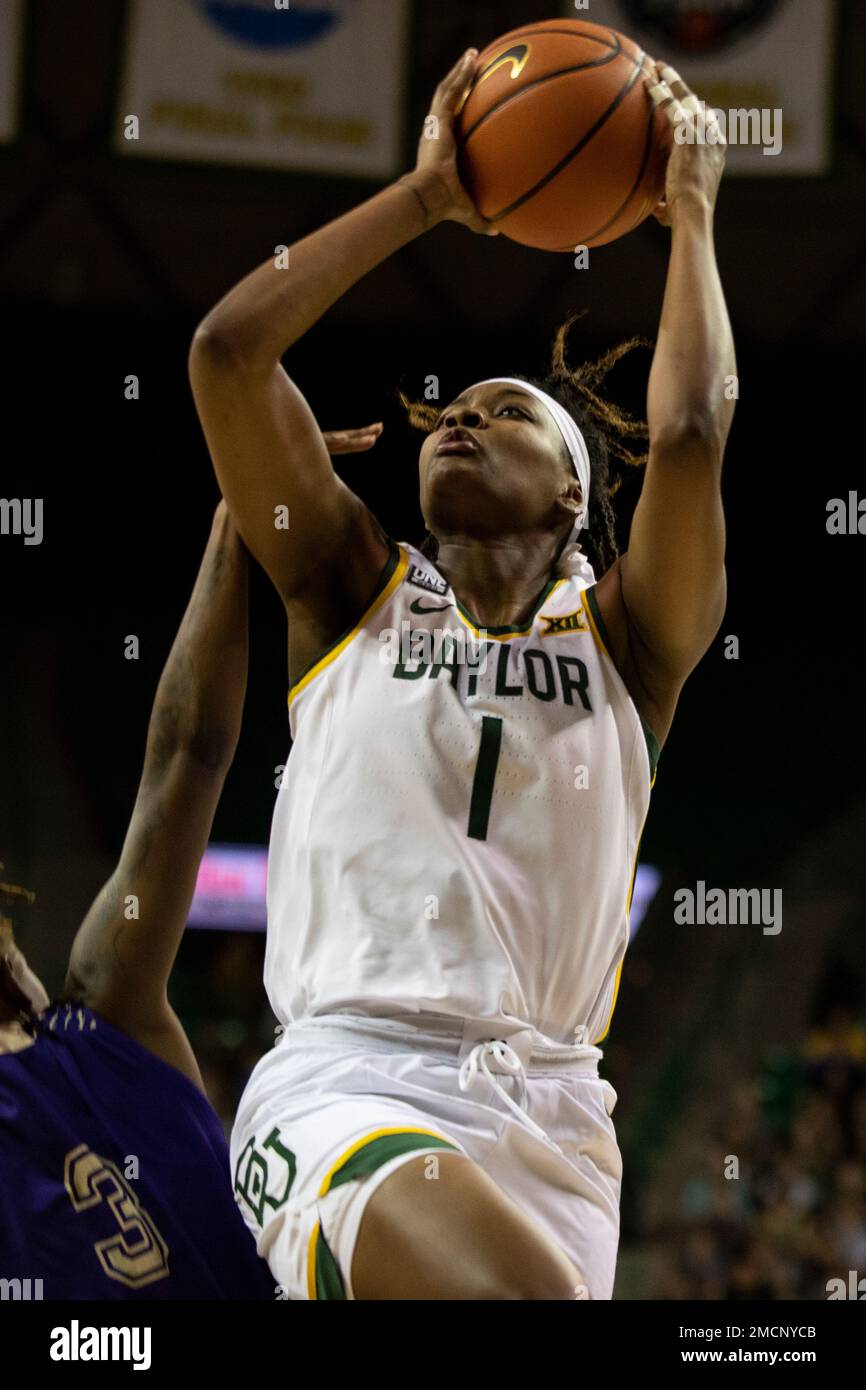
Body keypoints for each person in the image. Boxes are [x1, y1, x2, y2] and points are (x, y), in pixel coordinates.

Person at [188, 52, 734, 1301]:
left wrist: (693, 209)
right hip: (347, 1079)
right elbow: (227, 350)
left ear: (572, 498)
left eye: (504, 413)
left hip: (550, 1120)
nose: (457, 420)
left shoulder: (629, 644)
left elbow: (694, 432)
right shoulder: (348, 592)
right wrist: (428, 198)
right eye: (450, 412)